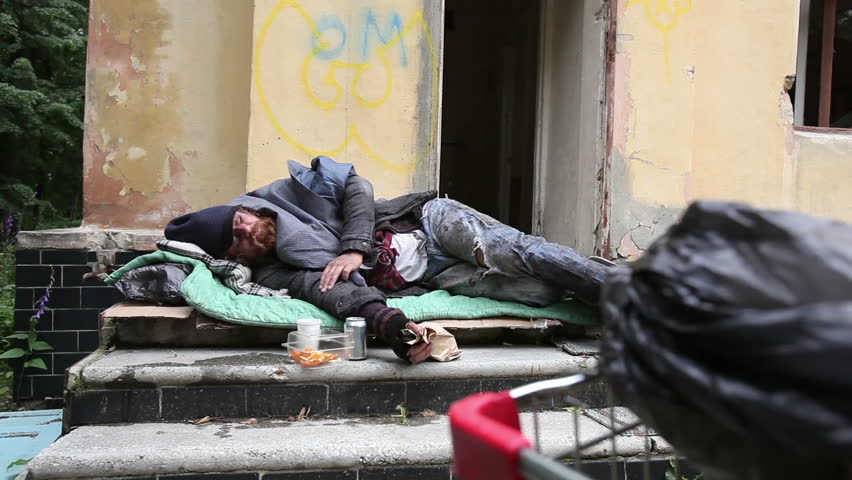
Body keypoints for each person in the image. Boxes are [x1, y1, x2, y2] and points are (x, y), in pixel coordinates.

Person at [164, 157, 609, 363]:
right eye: (234, 238)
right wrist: (387, 323)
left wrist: (353, 246)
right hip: (439, 274)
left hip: (429, 225)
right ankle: (598, 276)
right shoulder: (279, 270)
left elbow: (359, 185)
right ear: (232, 255)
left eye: (239, 219)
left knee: (515, 253)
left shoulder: (293, 194)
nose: (245, 229)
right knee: (540, 290)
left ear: (248, 210)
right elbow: (330, 292)